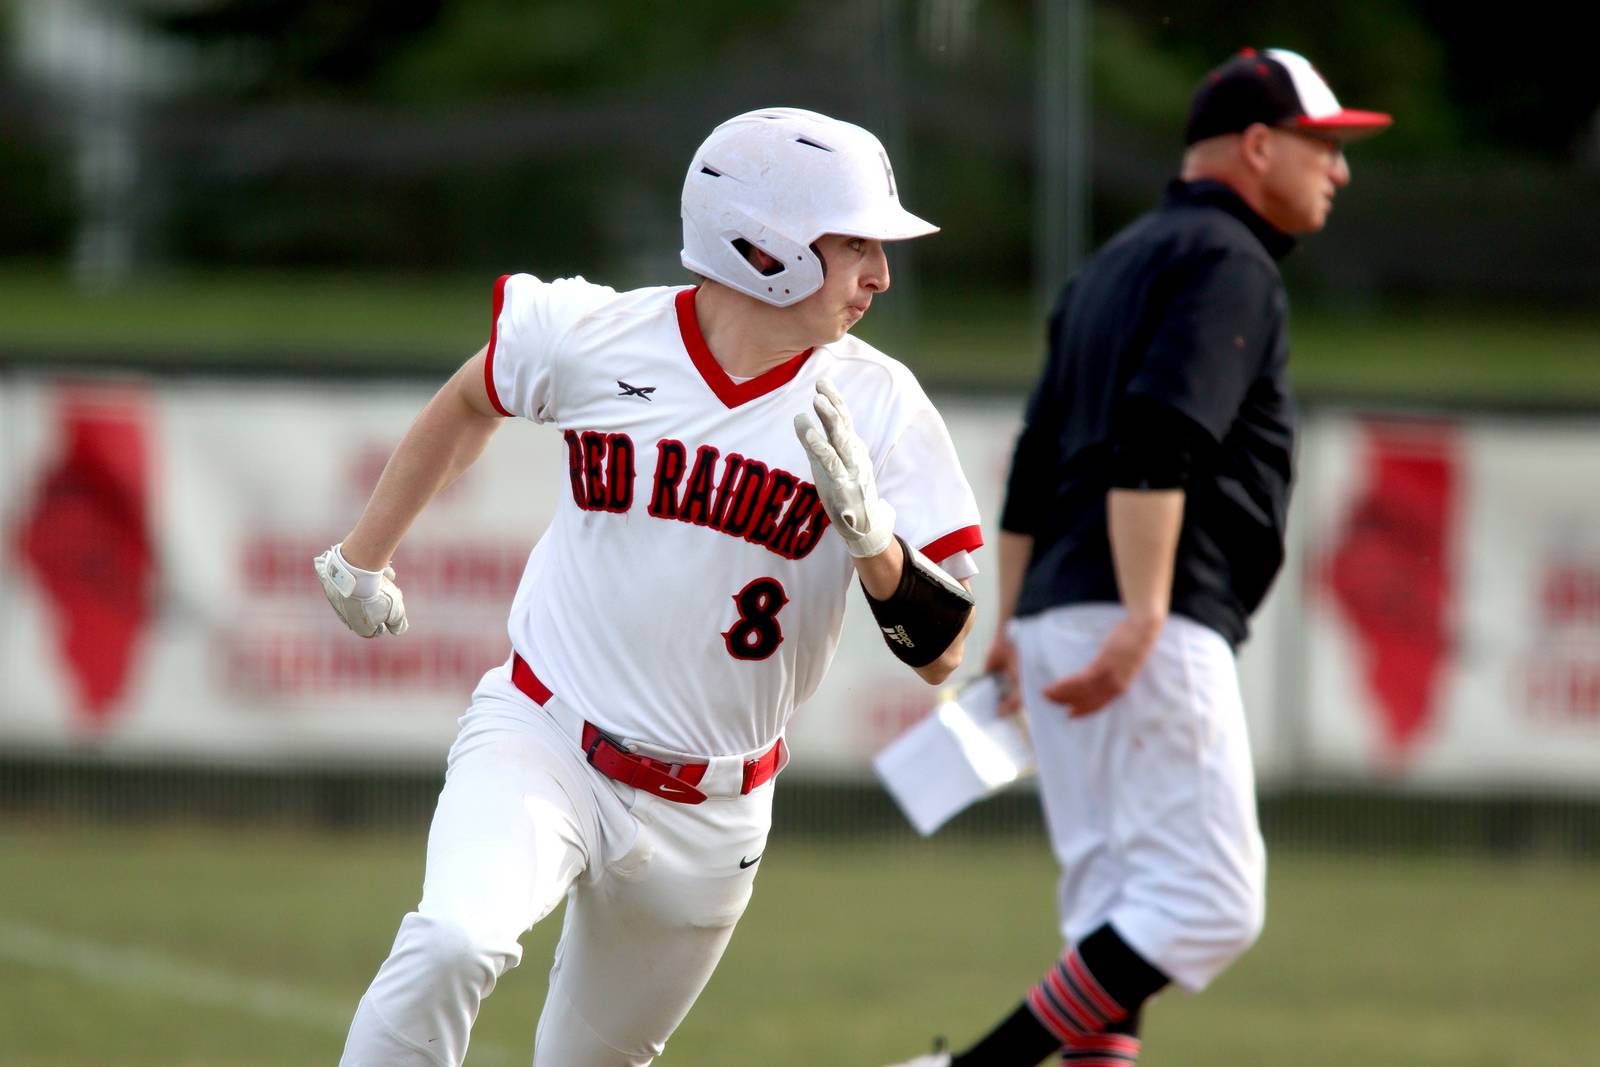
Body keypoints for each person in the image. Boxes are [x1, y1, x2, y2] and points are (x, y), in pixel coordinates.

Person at [314, 106, 984, 1067]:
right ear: (764, 246)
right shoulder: (600, 333)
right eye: (855, 245)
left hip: (715, 812)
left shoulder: (880, 405)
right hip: (545, 733)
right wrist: (363, 553)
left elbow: (944, 652)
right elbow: (473, 396)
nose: (880, 273)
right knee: (455, 939)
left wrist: (875, 545)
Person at [885, 48, 1391, 1067]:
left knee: (1120, 906)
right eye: (1323, 146)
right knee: (1210, 900)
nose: (1338, 170)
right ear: (1259, 146)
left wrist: (1013, 623)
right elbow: (1161, 435)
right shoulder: (1228, 259)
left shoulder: (1110, 265)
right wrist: (1147, 612)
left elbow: (1034, 460)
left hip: (1062, 607)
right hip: (1141, 608)